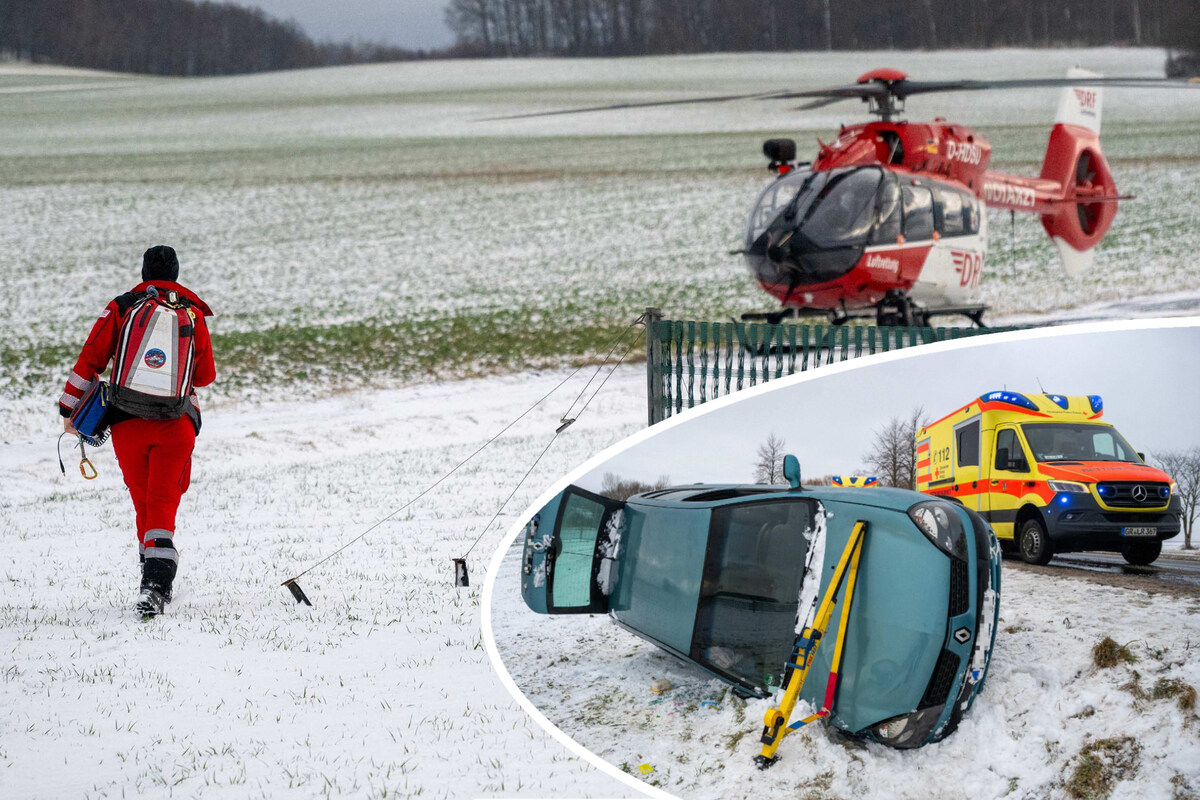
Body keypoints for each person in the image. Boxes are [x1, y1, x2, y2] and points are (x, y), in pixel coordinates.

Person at [59, 246, 216, 616]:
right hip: (177, 423)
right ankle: (156, 584)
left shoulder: (122, 306)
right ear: (176, 273)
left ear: (143, 272)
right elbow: (206, 376)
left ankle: (152, 579)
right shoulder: (191, 312)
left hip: (127, 422)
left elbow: (90, 360)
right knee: (163, 499)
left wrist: (68, 408)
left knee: (143, 500)